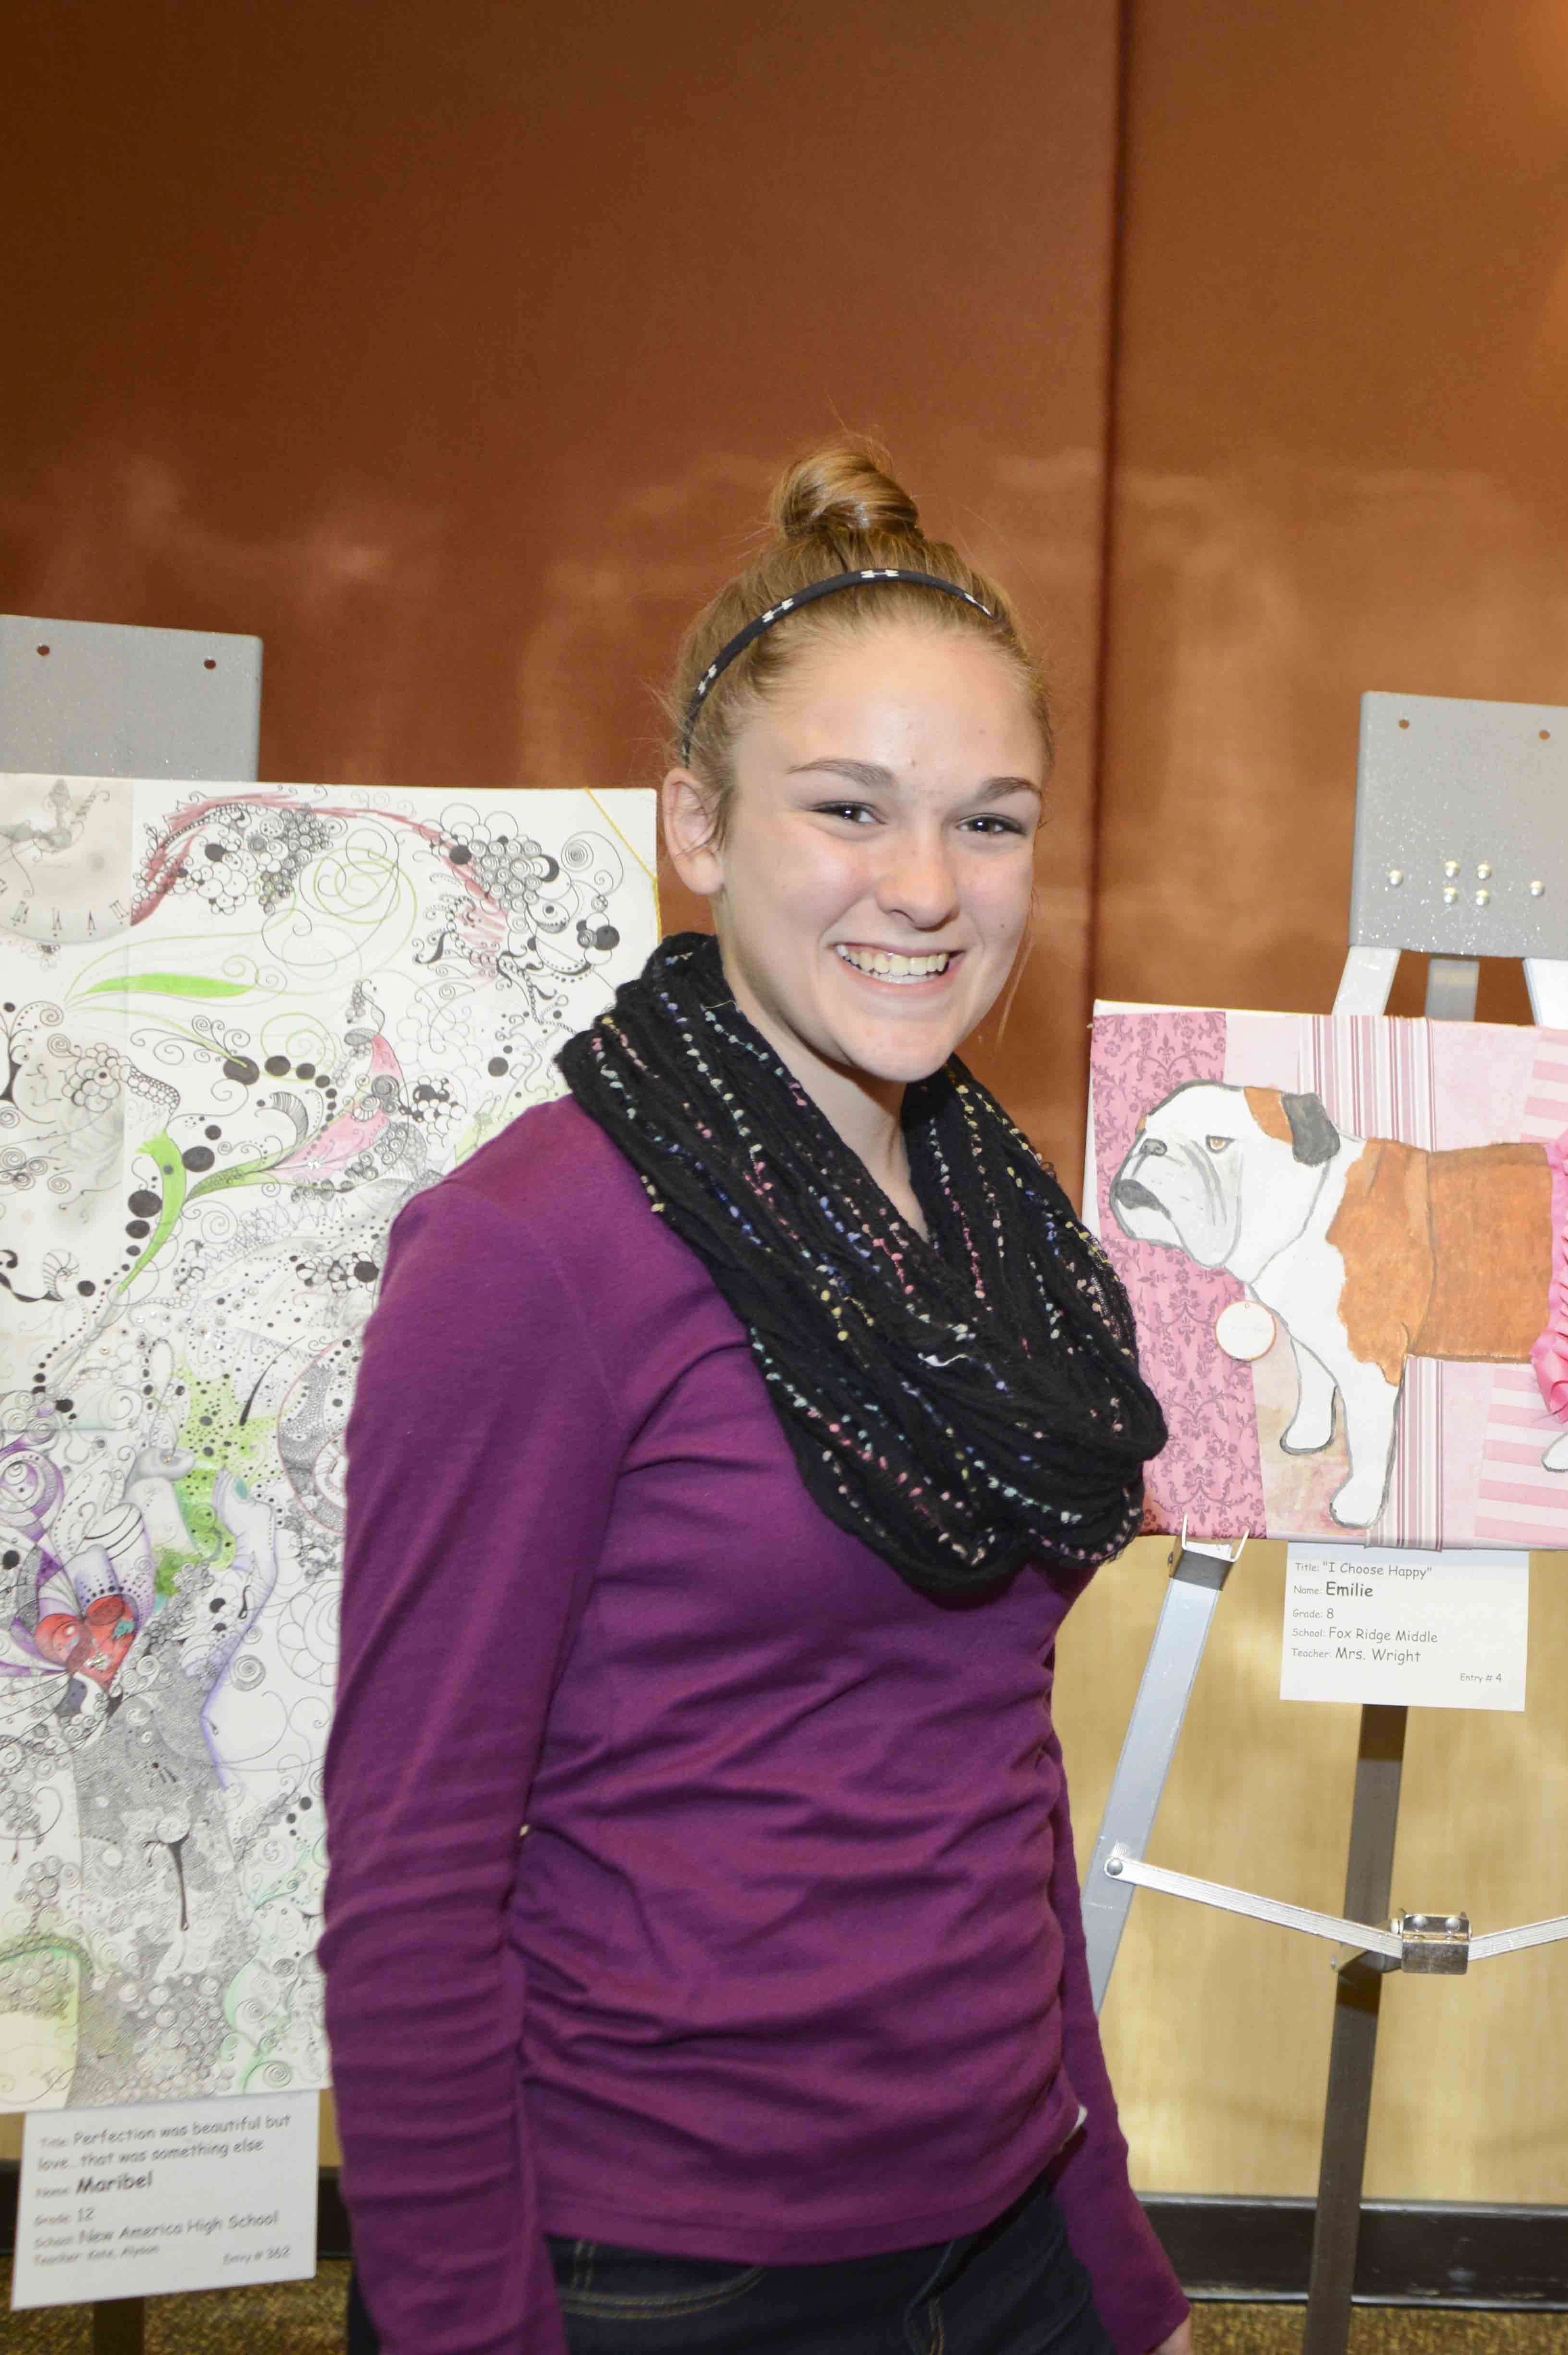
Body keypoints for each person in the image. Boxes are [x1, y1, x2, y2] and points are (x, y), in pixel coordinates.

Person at [325, 448, 1193, 2355]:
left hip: (1006, 2227)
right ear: (698, 826)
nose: (926, 887)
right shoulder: (531, 1251)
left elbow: (986, 1765)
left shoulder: (993, 1226)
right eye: (847, 807)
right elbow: (409, 1884)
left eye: (989, 822)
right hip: (669, 2273)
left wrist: (1108, 2250)